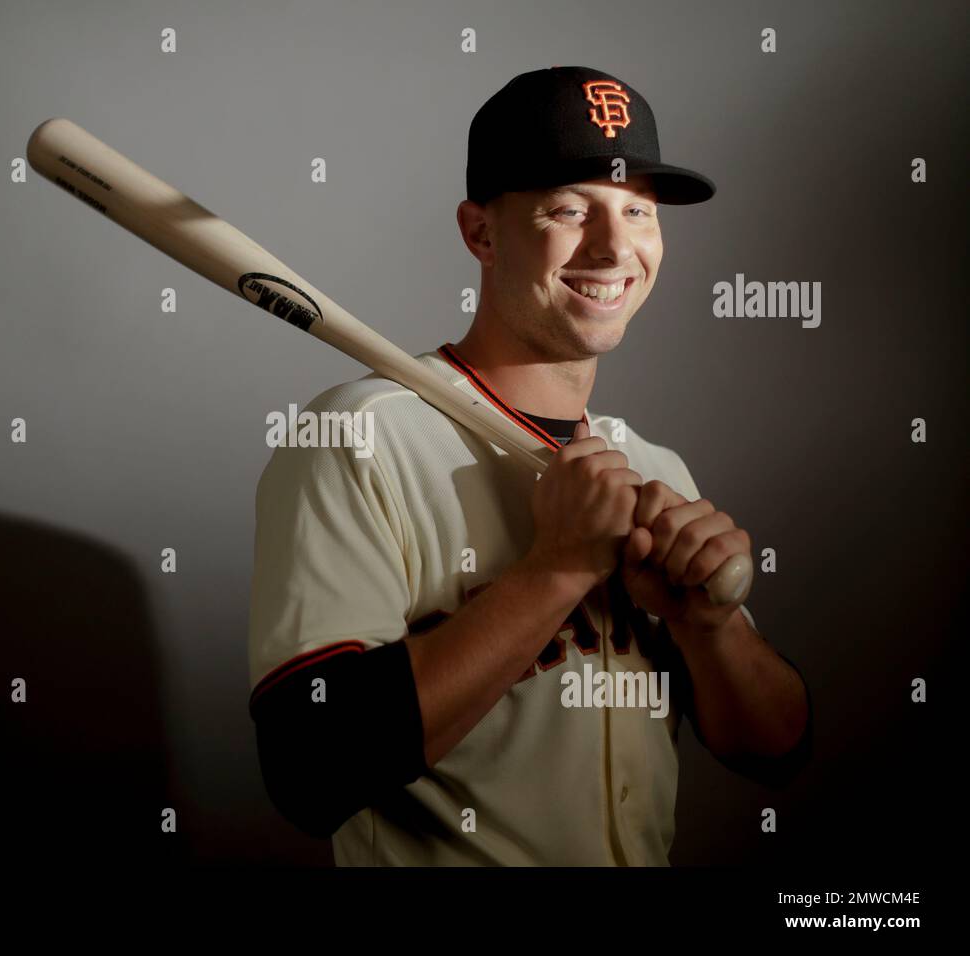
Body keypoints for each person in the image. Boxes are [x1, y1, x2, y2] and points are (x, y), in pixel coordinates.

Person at [247, 66, 811, 866]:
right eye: (570, 209)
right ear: (480, 233)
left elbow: (776, 752)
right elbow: (312, 772)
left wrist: (709, 626)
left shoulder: (654, 467)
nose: (616, 248)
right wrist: (557, 570)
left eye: (638, 213)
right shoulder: (357, 437)